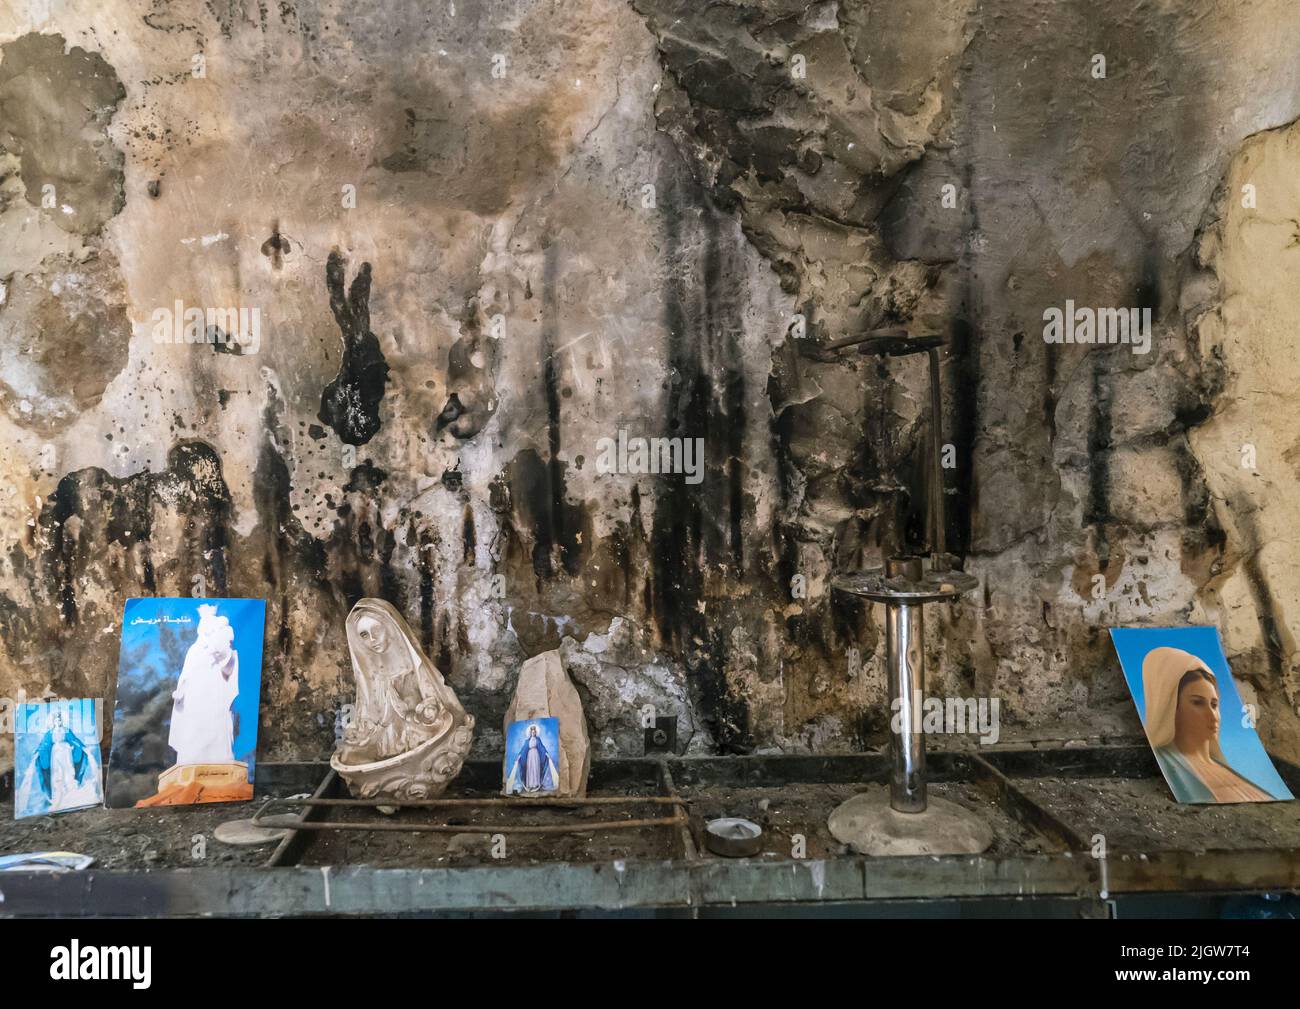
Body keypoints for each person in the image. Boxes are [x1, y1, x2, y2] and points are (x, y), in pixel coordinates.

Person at [1141, 646, 1277, 803]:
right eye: (1197, 703)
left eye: (1214, 704)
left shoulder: (1224, 768)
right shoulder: (1171, 764)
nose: (1213, 716)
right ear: (1171, 706)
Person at [168, 604, 240, 765]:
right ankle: (191, 759)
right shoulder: (194, 650)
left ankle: (218, 758)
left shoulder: (223, 650)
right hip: (195, 697)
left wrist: (221, 652)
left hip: (214, 695)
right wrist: (180, 691)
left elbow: (228, 670)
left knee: (216, 726)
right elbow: (186, 675)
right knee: (194, 728)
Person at [509, 724, 556, 794]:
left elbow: (541, 747)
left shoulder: (538, 739)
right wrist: (519, 756)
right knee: (530, 769)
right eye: (532, 732)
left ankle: (535, 784)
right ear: (530, 733)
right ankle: (530, 785)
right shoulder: (527, 741)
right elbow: (523, 749)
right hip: (529, 756)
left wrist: (546, 754)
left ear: (535, 732)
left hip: (536, 755)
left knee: (535, 768)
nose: (533, 733)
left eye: (534, 732)